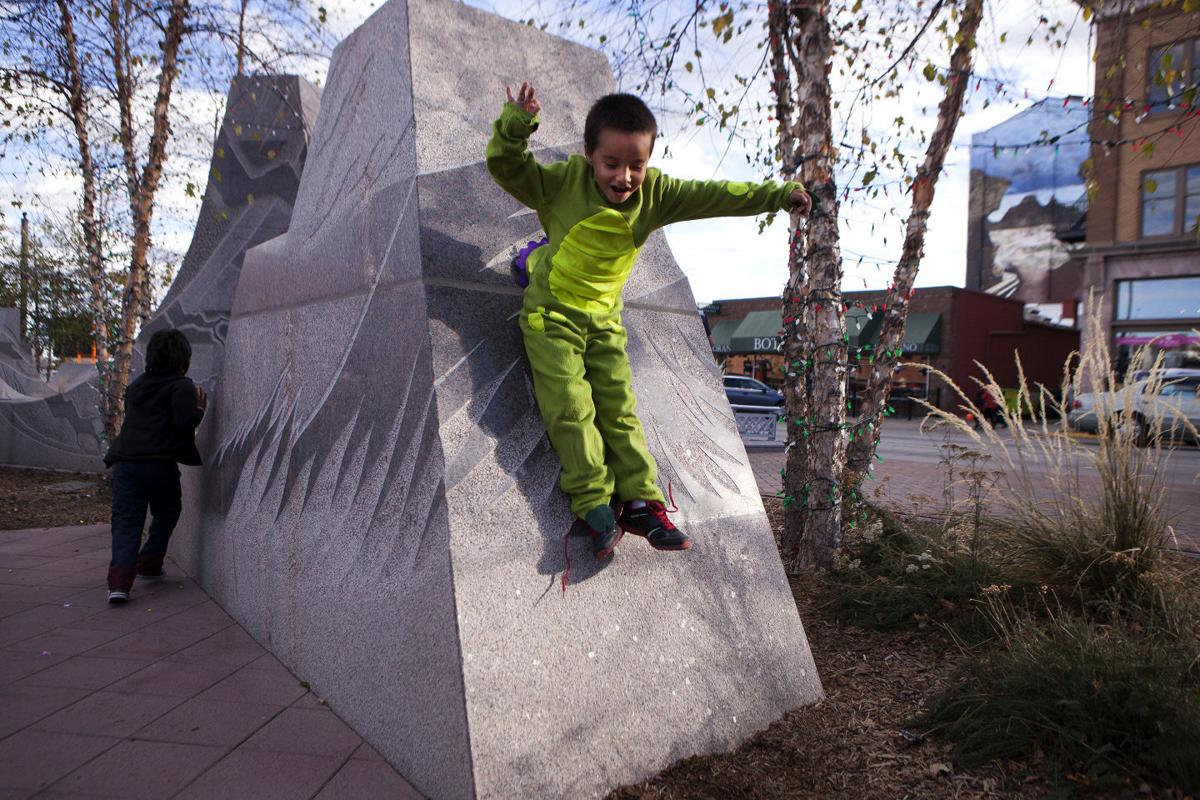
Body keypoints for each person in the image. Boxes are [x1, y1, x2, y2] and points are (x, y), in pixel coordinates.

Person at [487, 83, 811, 560]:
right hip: (551, 317)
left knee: (619, 409)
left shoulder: (656, 194)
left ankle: (641, 501)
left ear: (648, 160)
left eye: (636, 165)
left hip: (604, 323)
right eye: (611, 164)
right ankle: (594, 502)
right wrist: (517, 123)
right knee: (572, 406)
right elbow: (507, 165)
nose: (624, 178)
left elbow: (715, 195)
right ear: (588, 155)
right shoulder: (562, 183)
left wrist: (778, 195)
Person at [102, 329, 206, 604]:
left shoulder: (138, 386)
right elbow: (184, 422)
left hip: (127, 463)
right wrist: (199, 410)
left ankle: (119, 584)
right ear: (183, 358)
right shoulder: (181, 386)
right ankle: (149, 562)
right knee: (168, 510)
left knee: (127, 520)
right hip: (160, 464)